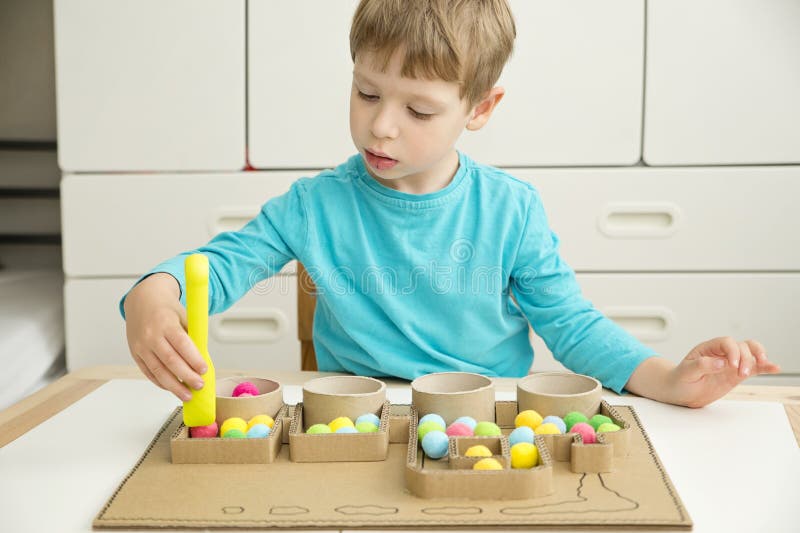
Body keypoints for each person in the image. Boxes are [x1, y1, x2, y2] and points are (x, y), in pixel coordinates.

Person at [120, 0, 779, 408]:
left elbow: (572, 328)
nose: (382, 127)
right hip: (358, 416)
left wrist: (667, 379)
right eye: (367, 93)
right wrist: (157, 292)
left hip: (483, 418)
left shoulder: (512, 211)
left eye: (419, 108)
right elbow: (226, 263)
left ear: (481, 107)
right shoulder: (313, 205)